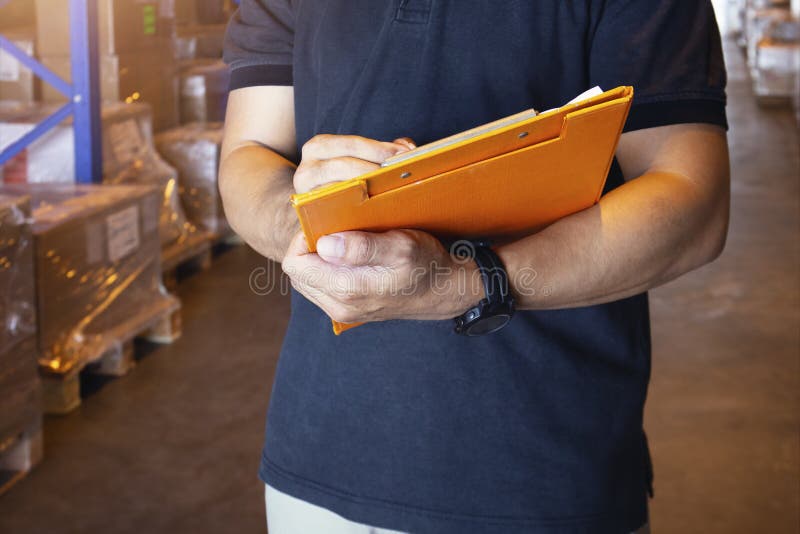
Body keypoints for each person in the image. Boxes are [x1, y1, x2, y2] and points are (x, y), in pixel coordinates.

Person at [220, 2, 729, 533]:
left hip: (542, 476)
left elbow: (694, 200)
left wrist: (469, 283)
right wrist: (303, 229)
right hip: (319, 462)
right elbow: (248, 153)